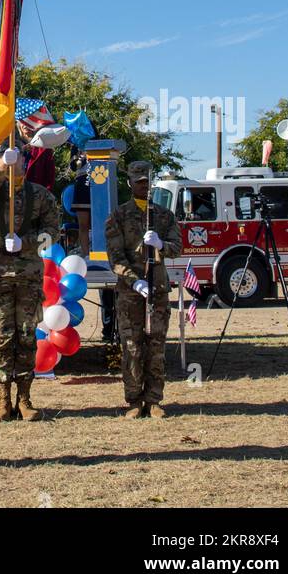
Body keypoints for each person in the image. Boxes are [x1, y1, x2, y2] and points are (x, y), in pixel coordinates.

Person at [0, 142, 60, 422]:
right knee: (2, 338)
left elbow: (52, 234)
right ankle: (3, 400)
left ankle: (24, 398)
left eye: (17, 159)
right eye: (7, 158)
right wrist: (0, 168)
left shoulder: (40, 196)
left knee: (26, 337)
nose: (14, 163)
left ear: (25, 161)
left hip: (28, 275)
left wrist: (27, 243)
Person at [105, 160, 183, 420]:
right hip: (130, 292)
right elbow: (115, 257)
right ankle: (134, 400)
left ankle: (154, 400)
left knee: (156, 346)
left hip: (158, 288)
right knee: (132, 346)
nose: (143, 186)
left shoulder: (163, 215)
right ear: (130, 184)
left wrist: (161, 244)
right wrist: (133, 280)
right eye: (138, 182)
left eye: (147, 182)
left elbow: (177, 247)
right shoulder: (118, 216)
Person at [69, 149, 91, 258]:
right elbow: (73, 167)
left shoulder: (97, 142)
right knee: (83, 225)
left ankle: (102, 253)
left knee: (100, 223)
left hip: (99, 181)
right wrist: (82, 159)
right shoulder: (76, 147)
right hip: (82, 185)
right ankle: (86, 255)